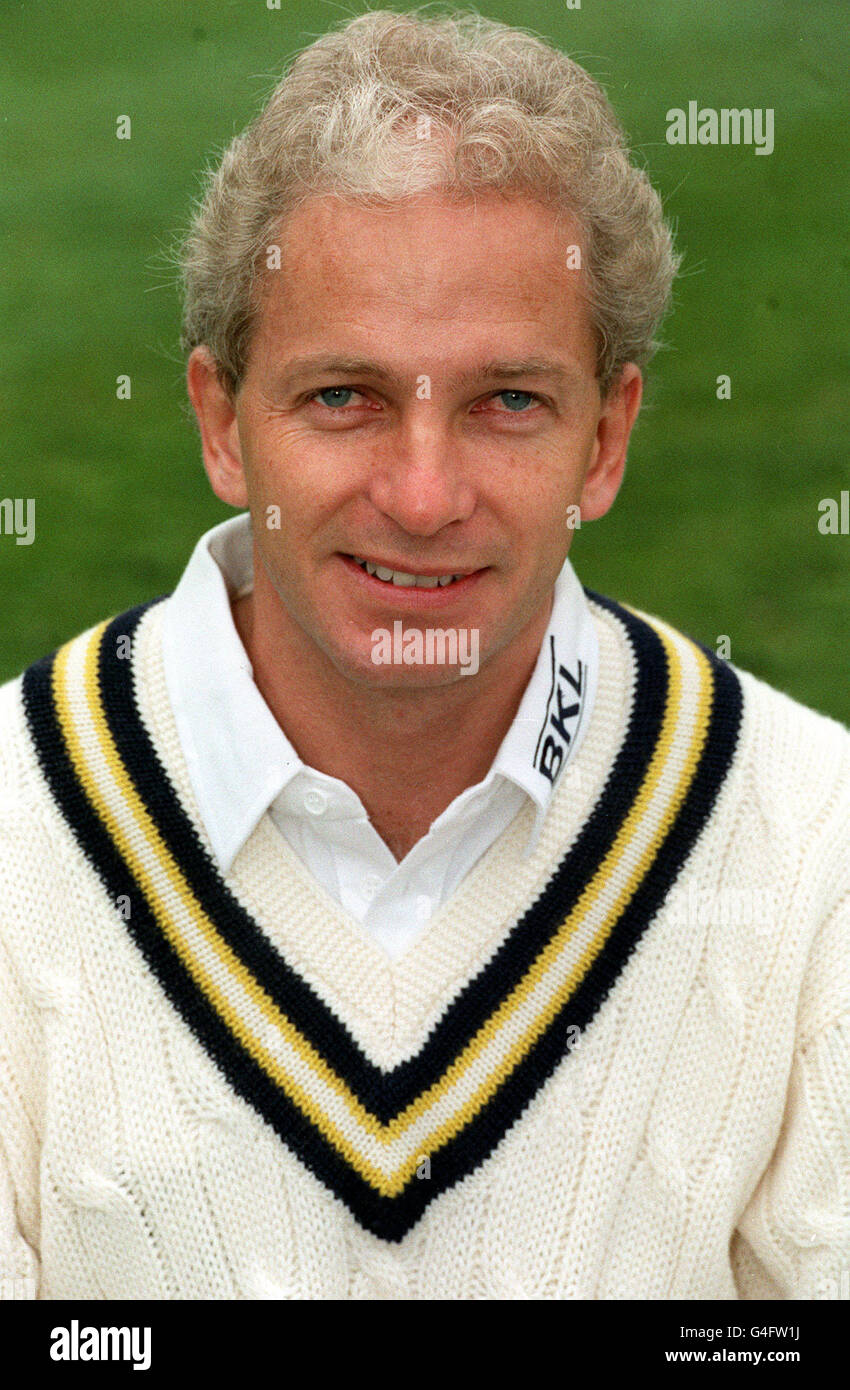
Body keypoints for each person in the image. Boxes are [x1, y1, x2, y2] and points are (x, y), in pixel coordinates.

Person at [1, 9, 847, 1300]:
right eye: (342, 396)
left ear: (606, 439)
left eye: (507, 400)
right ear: (221, 421)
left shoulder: (810, 841)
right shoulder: (20, 828)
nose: (421, 488)